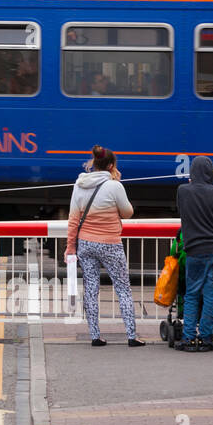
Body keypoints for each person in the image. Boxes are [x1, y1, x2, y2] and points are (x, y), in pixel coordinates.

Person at [66, 145, 142, 347]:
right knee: (123, 288)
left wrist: (70, 247)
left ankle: (95, 336)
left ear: (94, 163)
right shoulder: (114, 186)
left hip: (86, 244)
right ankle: (132, 336)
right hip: (110, 244)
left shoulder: (79, 184)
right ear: (111, 165)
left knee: (91, 288)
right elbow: (127, 213)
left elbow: (73, 219)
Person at [175, 156, 213, 352]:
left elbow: (183, 213)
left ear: (192, 172)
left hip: (193, 250)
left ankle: (187, 340)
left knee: (191, 294)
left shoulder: (183, 191)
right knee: (211, 296)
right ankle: (206, 339)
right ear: (210, 172)